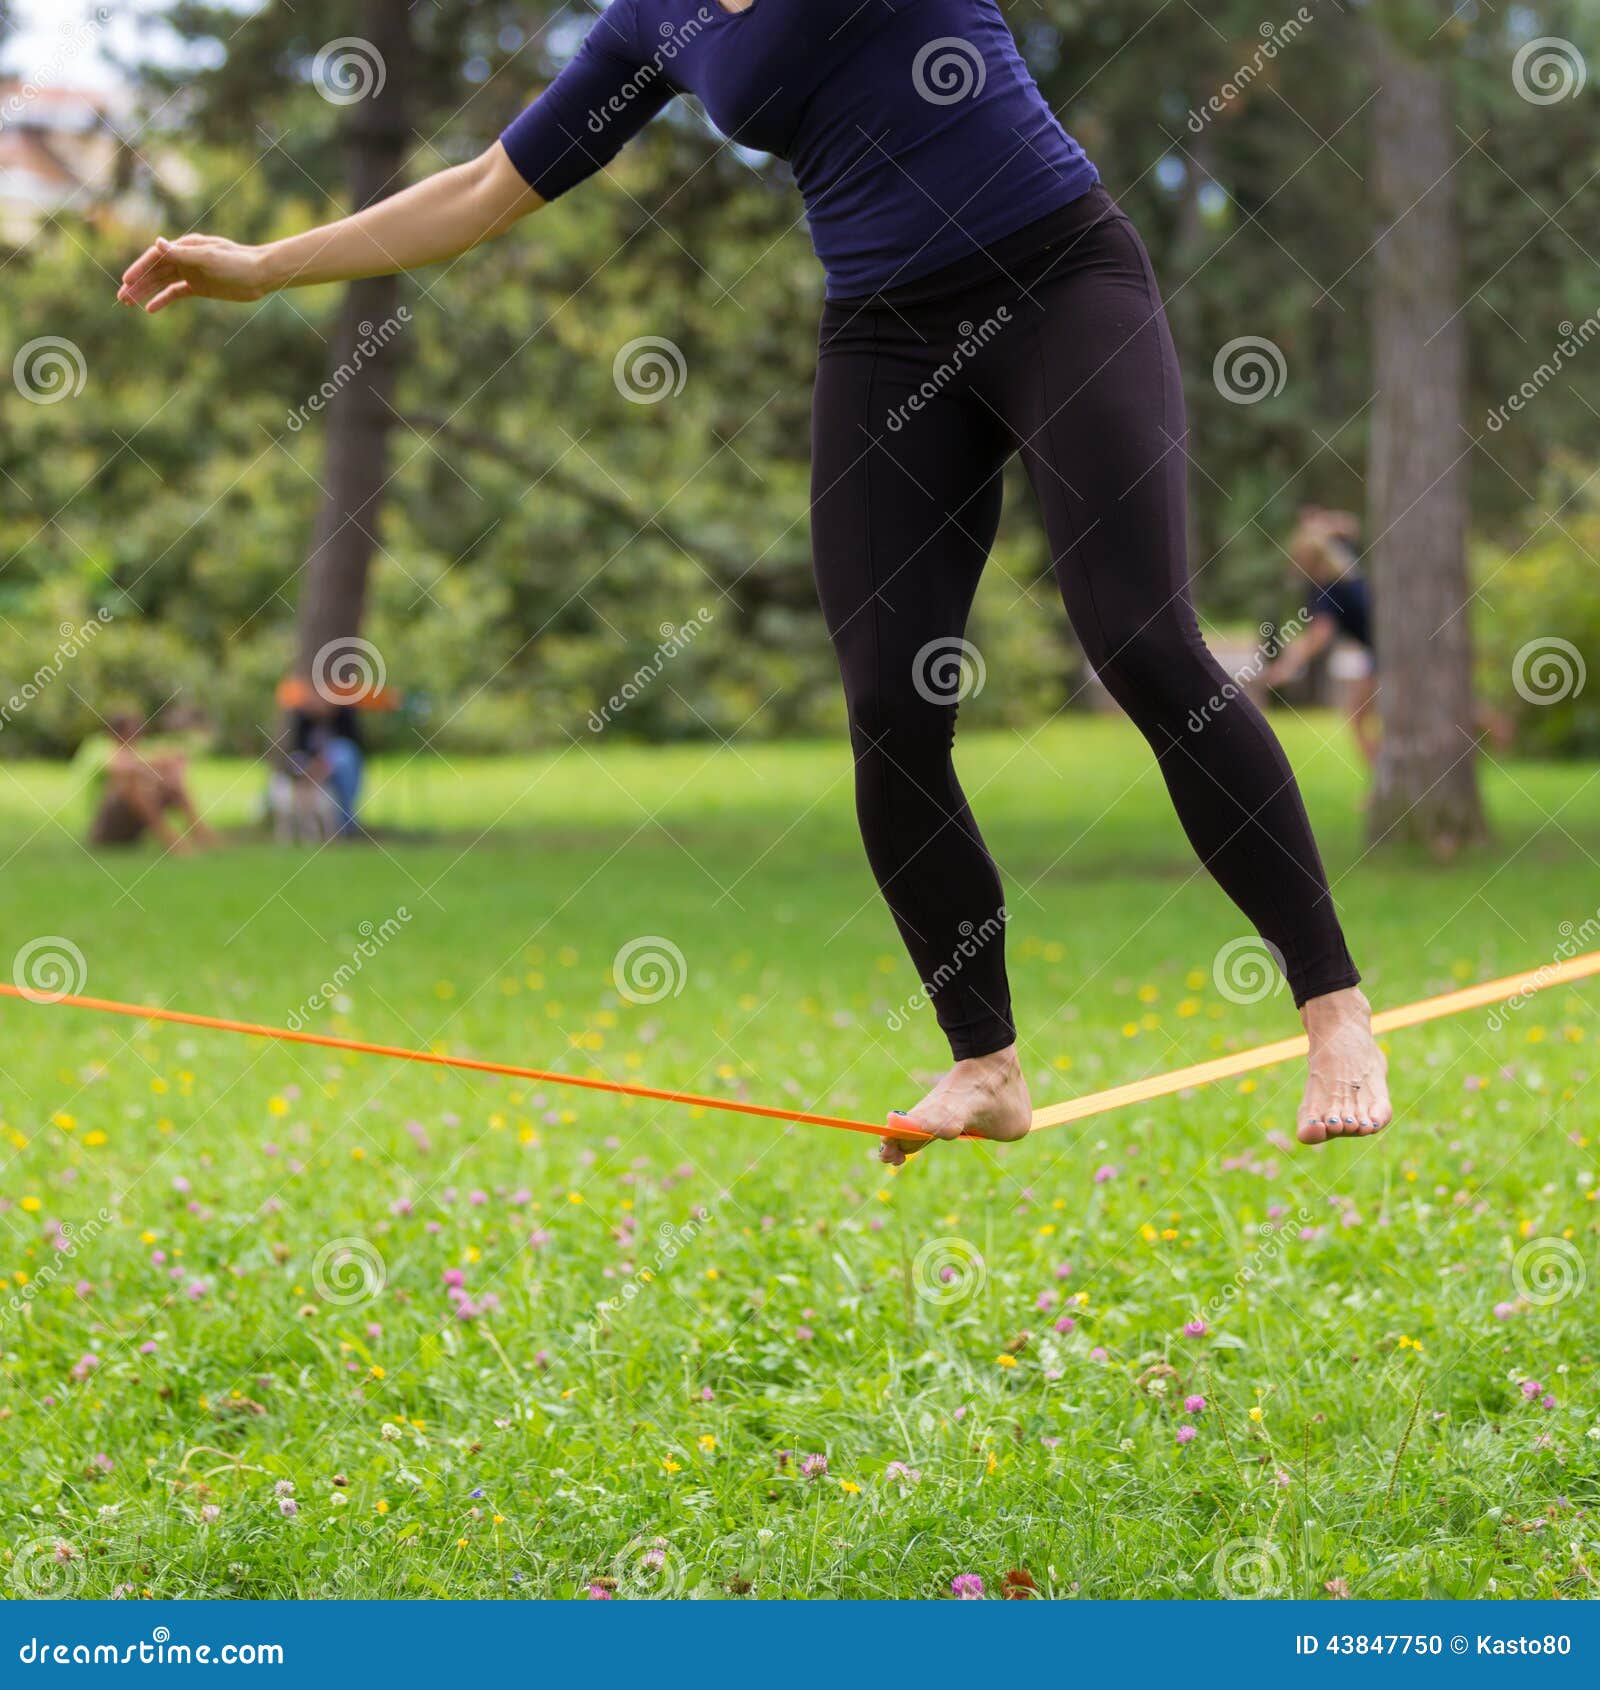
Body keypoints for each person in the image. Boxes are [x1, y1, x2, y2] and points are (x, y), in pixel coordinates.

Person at [114, 0, 1392, 1154]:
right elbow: (488, 188)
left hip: (1056, 276)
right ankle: (985, 1063)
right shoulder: (651, 24)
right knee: (889, 707)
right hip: (883, 335)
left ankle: (1332, 1010)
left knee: (1144, 645)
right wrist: (267, 264)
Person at [1262, 508, 1380, 765]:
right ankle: (1386, 783)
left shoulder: (1326, 588)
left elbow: (1320, 635)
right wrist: (1322, 523)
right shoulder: (1346, 570)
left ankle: (1384, 783)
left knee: (1358, 717)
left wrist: (1285, 667)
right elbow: (1350, 525)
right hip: (1385, 651)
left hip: (1388, 655)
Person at [75, 712, 215, 851]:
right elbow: (122, 768)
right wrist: (156, 765)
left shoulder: (138, 749)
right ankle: (173, 842)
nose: (139, 734)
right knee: (131, 786)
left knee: (171, 787)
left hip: (132, 826)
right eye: (133, 730)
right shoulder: (100, 747)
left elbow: (170, 763)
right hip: (104, 828)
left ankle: (202, 834)